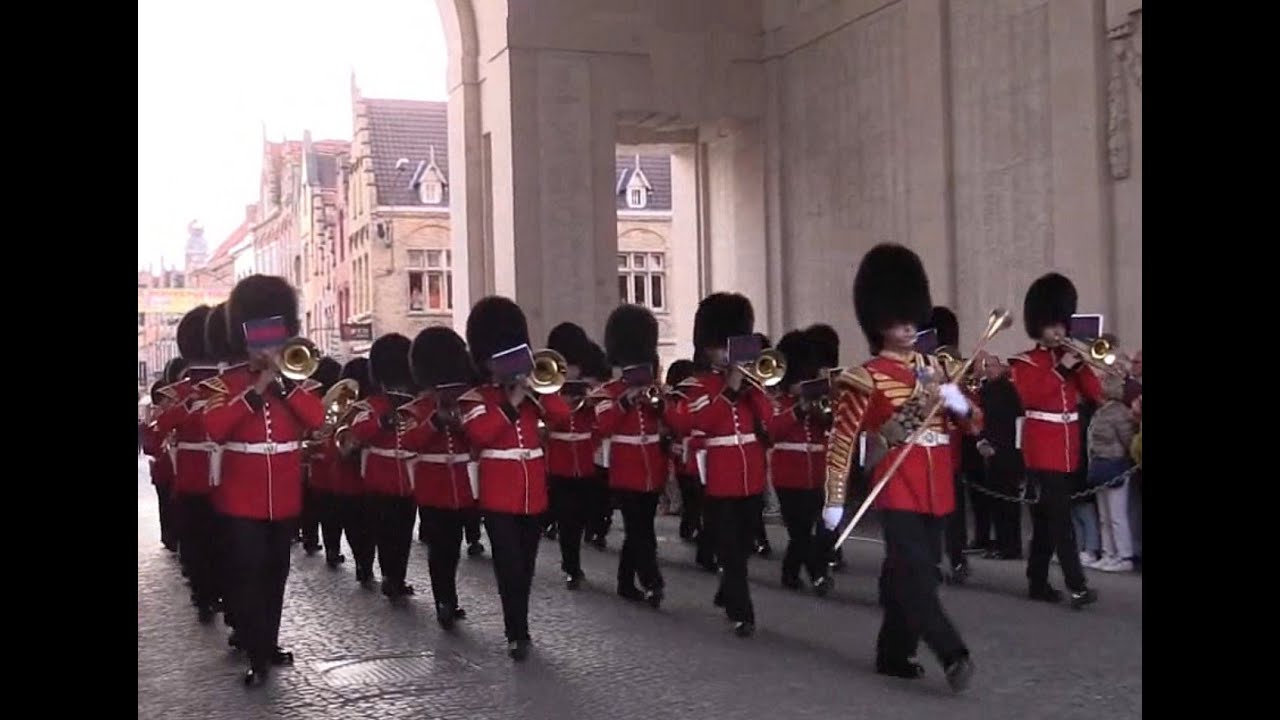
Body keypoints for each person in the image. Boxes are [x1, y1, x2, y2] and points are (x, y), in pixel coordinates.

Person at [822, 243, 975, 692]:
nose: (909, 326)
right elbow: (843, 439)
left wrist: (960, 404)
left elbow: (973, 424)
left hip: (936, 485)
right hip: (897, 483)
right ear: (878, 322)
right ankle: (952, 653)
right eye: (897, 318)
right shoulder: (863, 377)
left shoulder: (937, 369)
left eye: (912, 316)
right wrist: (834, 498)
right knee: (918, 574)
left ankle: (893, 652)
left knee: (906, 575)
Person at [202, 275, 325, 686]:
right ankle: (255, 652)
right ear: (245, 340)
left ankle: (268, 644)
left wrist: (283, 385)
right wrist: (257, 388)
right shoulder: (225, 384)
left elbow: (317, 420)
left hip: (284, 495)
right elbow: (216, 426)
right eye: (260, 340)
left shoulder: (295, 382)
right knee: (248, 574)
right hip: (241, 498)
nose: (268, 348)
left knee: (275, 574)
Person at [458, 296, 571, 660]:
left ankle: (519, 623)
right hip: (497, 491)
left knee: (527, 564)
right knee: (508, 564)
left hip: (532, 490)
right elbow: (480, 435)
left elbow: (562, 417)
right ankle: (516, 632)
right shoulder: (475, 398)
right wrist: (510, 401)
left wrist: (535, 389)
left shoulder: (533, 392)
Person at [667, 292, 774, 638]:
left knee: (742, 546)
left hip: (752, 475)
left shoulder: (752, 386)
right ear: (708, 348)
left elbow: (772, 422)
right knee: (729, 547)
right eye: (720, 346)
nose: (726, 352)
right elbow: (699, 423)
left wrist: (754, 391)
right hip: (720, 476)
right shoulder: (698, 385)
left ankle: (728, 589)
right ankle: (744, 613)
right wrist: (729, 390)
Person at [1008, 273, 1101, 609]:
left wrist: (1084, 367)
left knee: (1047, 520)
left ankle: (1037, 580)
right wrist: (1061, 370)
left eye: (1062, 324)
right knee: (1061, 521)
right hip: (1042, 449)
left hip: (1068, 448)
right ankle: (1078, 585)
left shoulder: (1071, 360)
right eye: (1051, 326)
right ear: (1038, 327)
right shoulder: (1025, 362)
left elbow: (1096, 395)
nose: (1059, 332)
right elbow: (1031, 397)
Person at [400, 326, 479, 628]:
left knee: (454, 546)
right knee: (439, 548)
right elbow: (409, 442)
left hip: (461, 483)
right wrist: (435, 421)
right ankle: (443, 601)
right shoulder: (417, 409)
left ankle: (450, 598)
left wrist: (459, 425)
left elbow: (476, 441)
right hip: (431, 486)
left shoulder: (466, 404)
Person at [152, 304, 221, 622]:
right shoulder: (177, 394)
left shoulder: (233, 385)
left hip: (229, 479)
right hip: (193, 479)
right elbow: (154, 440)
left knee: (228, 545)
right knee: (196, 542)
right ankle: (203, 592)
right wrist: (183, 408)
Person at [595, 304, 668, 607]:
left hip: (652, 465)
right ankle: (653, 581)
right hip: (626, 467)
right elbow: (601, 425)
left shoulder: (656, 391)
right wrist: (624, 403)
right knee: (640, 529)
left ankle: (626, 582)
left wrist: (659, 406)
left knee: (640, 527)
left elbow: (677, 422)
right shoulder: (608, 391)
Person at [348, 333, 419, 600]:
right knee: (385, 533)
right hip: (379, 478)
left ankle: (397, 577)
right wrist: (382, 423)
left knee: (404, 533)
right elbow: (359, 429)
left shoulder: (412, 404)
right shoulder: (372, 404)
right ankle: (390, 576)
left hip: (408, 479)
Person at [766, 330, 833, 595]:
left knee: (807, 529)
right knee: (800, 529)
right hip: (788, 474)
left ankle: (790, 571)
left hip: (814, 471)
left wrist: (822, 411)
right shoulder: (778, 403)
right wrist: (797, 410)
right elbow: (773, 430)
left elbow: (830, 426)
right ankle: (818, 575)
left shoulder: (817, 402)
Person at [541, 322, 598, 589]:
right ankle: (571, 566)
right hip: (561, 463)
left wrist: (591, 405)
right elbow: (549, 423)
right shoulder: (550, 391)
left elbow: (599, 427)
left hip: (585, 462)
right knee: (568, 518)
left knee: (585, 513)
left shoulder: (589, 389)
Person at [926, 305, 974, 583]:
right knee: (929, 513)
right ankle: (931, 562)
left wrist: (953, 386)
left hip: (948, 452)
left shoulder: (954, 372)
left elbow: (966, 414)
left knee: (953, 511)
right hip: (924, 452)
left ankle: (957, 558)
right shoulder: (917, 370)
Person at [975, 355, 1024, 560]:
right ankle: (1001, 542)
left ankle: (1010, 545)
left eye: (991, 366)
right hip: (993, 449)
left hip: (1007, 451)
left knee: (1008, 502)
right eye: (986, 367)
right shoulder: (987, 391)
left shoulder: (1008, 391)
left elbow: (1007, 422)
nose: (988, 370)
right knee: (996, 500)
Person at [1088, 374, 1137, 572]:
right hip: (1100, 464)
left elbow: (1128, 440)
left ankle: (1124, 555)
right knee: (1104, 515)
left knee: (1117, 515)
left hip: (1115, 464)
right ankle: (1109, 552)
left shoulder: (1120, 412)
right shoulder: (1101, 411)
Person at [302, 357, 346, 568]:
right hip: (329, 461)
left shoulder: (311, 395)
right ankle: (332, 548)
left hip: (317, 462)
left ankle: (312, 540)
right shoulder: (334, 397)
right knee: (331, 511)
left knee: (313, 504)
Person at [337, 358, 377, 585]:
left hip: (359, 474)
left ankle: (364, 562)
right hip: (353, 472)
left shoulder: (362, 408)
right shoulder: (345, 407)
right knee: (362, 523)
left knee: (356, 523)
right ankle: (365, 563)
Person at [581, 342, 615, 549]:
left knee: (602, 497)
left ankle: (598, 528)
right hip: (592, 452)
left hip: (606, 451)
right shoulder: (587, 393)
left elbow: (605, 425)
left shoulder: (603, 393)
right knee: (595, 495)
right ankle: (594, 528)